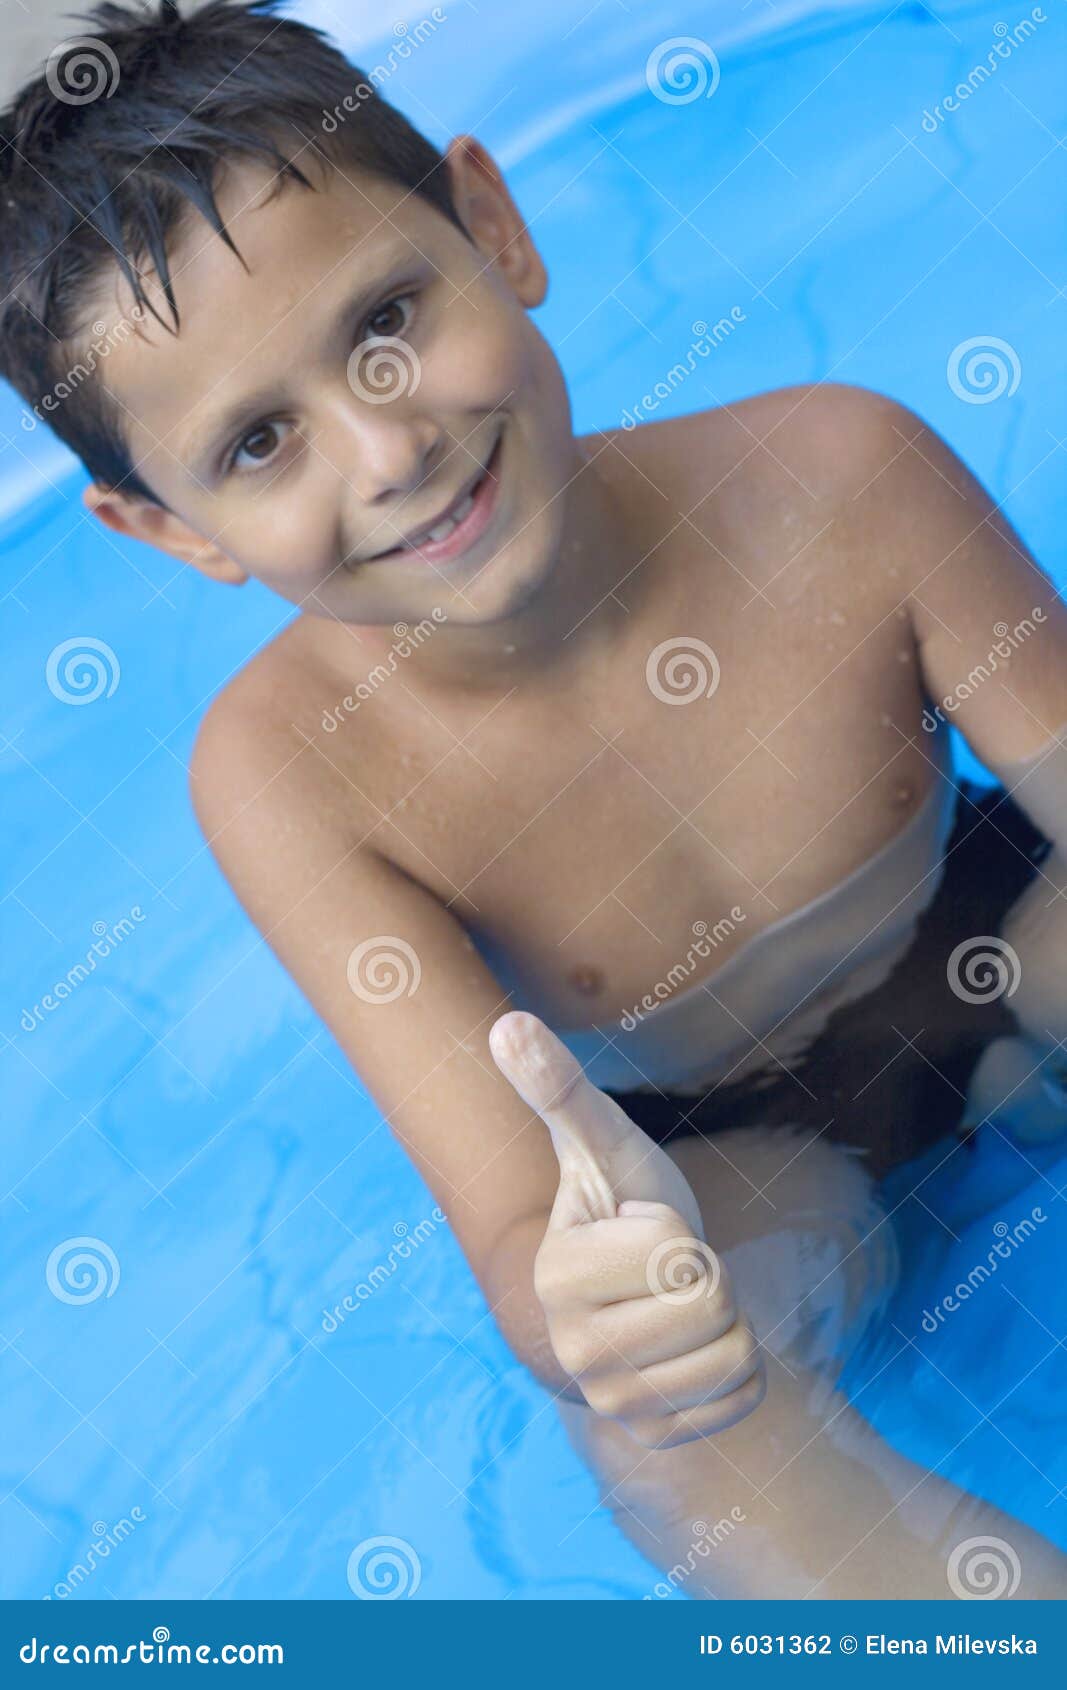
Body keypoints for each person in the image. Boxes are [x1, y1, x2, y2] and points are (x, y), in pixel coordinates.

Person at [3, 0, 1065, 1598]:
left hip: (998, 934)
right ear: (173, 530)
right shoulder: (288, 775)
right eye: (260, 442)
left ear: (492, 227)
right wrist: (601, 1302)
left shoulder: (845, 474)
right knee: (661, 1422)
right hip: (732, 1162)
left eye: (387, 319)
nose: (386, 448)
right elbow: (519, 1226)